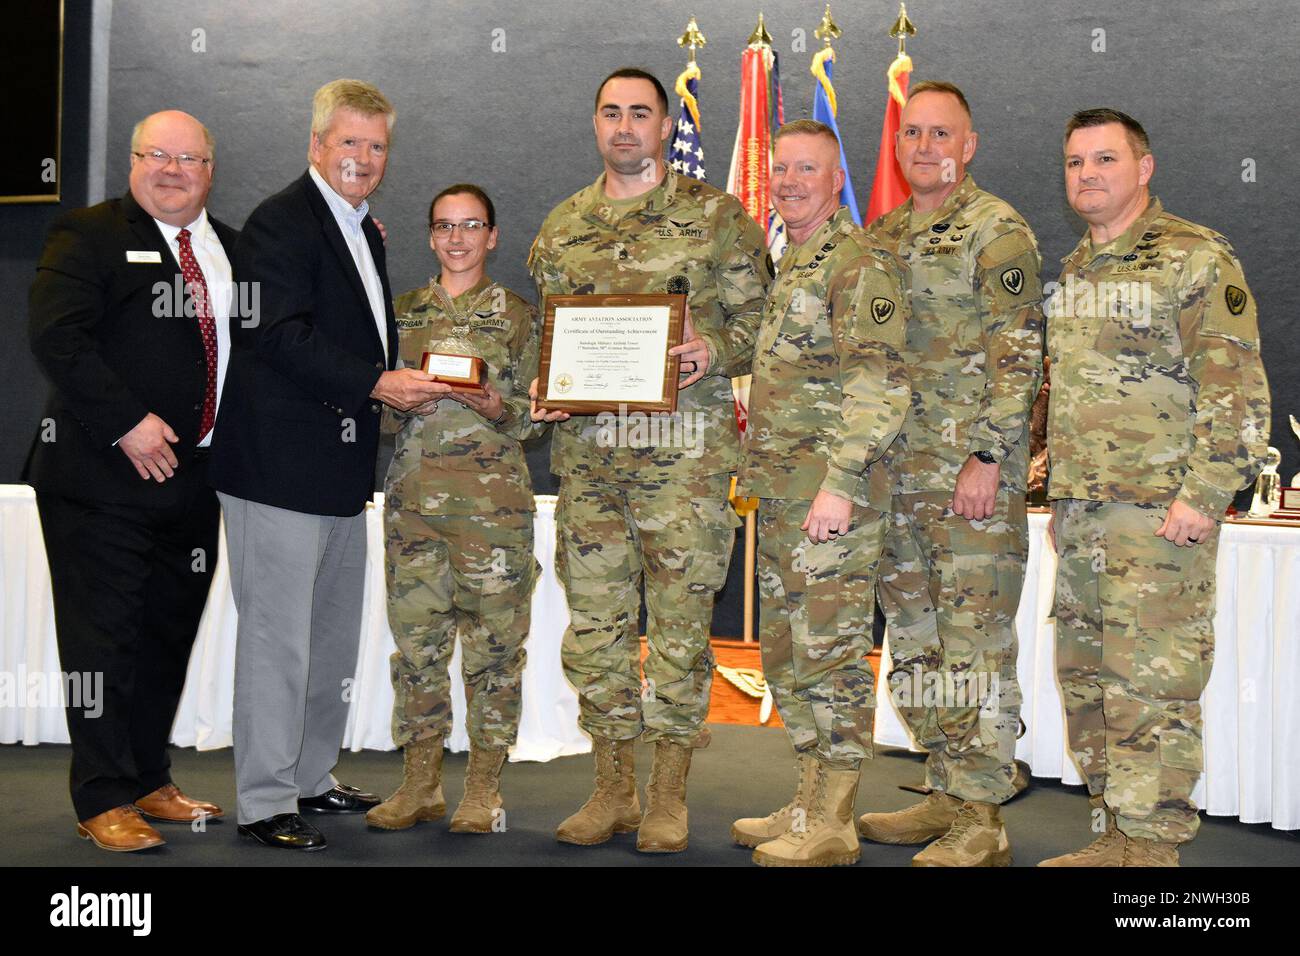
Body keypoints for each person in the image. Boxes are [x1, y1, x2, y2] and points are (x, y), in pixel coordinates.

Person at [528, 67, 771, 852]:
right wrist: (545, 386)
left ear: (666, 126)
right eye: (610, 113)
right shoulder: (563, 225)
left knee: (677, 629)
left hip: (684, 465)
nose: (625, 127)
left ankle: (668, 793)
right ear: (594, 123)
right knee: (595, 629)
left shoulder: (716, 217)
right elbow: (552, 335)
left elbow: (764, 319)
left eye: (640, 114)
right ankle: (612, 788)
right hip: (592, 461)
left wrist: (716, 345)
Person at [210, 79, 447, 851]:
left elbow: (349, 335)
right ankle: (265, 801)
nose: (364, 158)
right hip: (278, 471)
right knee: (279, 640)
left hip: (339, 473)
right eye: (349, 142)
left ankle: (311, 778)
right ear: (316, 145)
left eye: (377, 146)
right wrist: (379, 382)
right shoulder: (278, 223)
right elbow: (274, 335)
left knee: (329, 639)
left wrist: (389, 374)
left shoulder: (360, 228)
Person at [1040, 108, 1270, 867]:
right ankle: (1112, 832)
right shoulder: (1076, 267)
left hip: (1159, 517)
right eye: (1075, 162)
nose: (1087, 175)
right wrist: (1064, 498)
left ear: (1145, 168)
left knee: (1152, 684)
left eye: (1105, 159)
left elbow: (1237, 392)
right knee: (1086, 677)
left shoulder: (1195, 258)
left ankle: (1151, 849)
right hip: (1084, 515)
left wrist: (1204, 496)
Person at [26, 109, 233, 852]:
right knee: (102, 643)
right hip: (100, 479)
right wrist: (128, 422)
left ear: (211, 171)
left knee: (165, 637)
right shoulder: (87, 236)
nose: (173, 170)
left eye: (189, 159)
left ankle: (148, 778)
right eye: (157, 155)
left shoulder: (229, 250)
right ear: (132, 162)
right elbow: (57, 335)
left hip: (195, 481)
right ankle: (102, 795)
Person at [861, 81, 1043, 867]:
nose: (925, 147)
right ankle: (944, 784)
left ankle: (983, 817)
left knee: (974, 645)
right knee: (914, 640)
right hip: (893, 478)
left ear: (969, 146)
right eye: (913, 135)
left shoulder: (996, 231)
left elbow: (1021, 351)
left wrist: (990, 456)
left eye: (942, 134)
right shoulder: (885, 234)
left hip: (966, 474)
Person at [729, 121, 910, 867]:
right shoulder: (795, 260)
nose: (793, 182)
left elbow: (880, 384)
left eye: (809, 169)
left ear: (838, 178)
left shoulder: (857, 263)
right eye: (783, 171)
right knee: (788, 653)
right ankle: (807, 795)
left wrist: (839, 486)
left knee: (830, 656)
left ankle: (834, 818)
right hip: (781, 499)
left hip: (830, 504)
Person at [366, 184, 542, 834]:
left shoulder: (522, 317)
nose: (457, 238)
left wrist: (501, 406)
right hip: (414, 511)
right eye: (444, 226)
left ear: (492, 235)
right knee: (416, 650)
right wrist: (392, 398)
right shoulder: (399, 314)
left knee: (494, 653)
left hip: (493, 514)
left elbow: (537, 417)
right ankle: (419, 784)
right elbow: (375, 413)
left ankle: (484, 791)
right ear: (431, 235)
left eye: (471, 225)